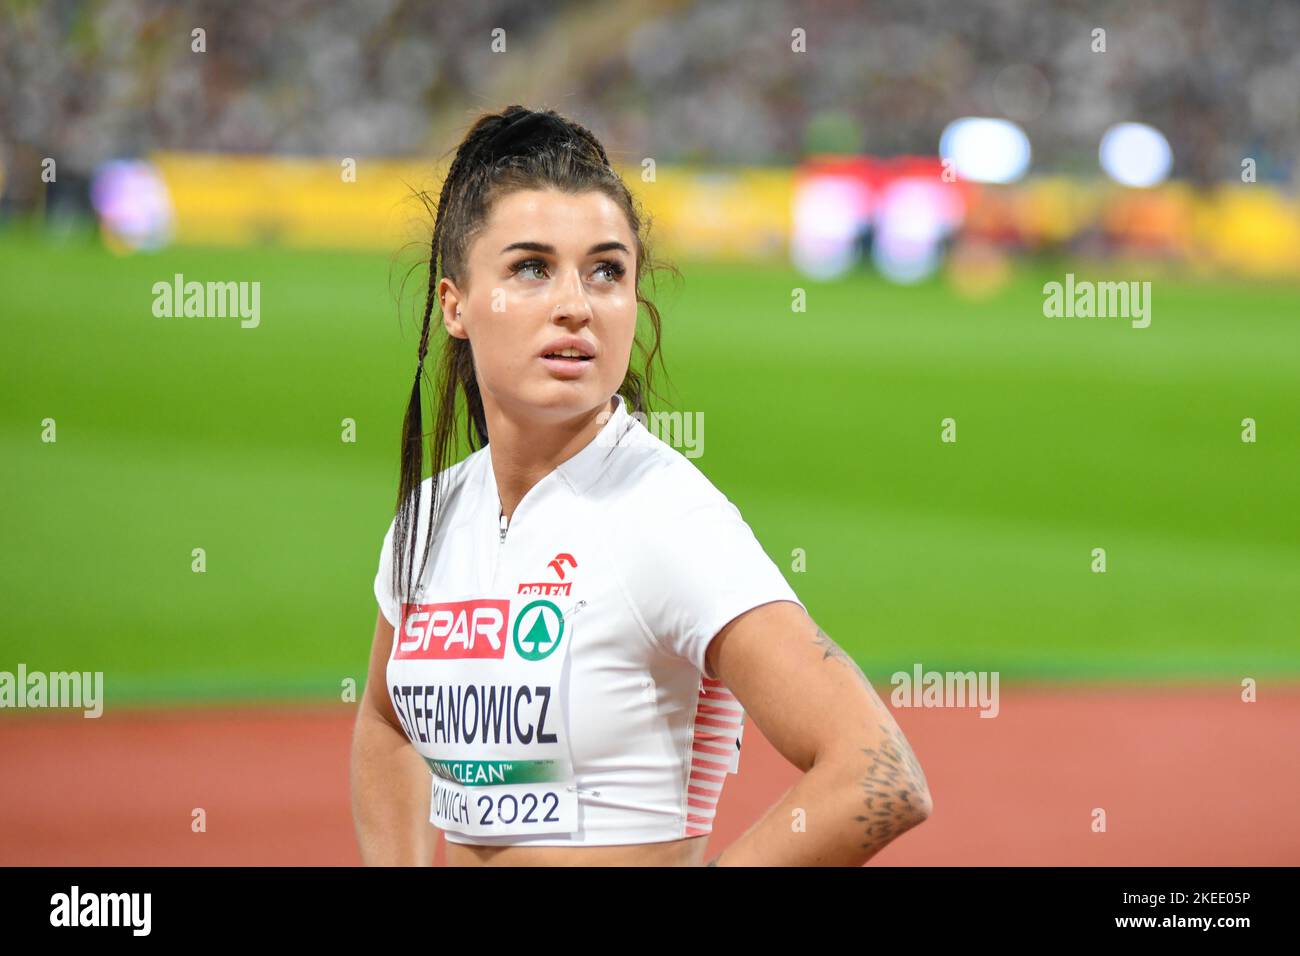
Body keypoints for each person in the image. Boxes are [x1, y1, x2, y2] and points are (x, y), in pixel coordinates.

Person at [350, 105, 932, 866]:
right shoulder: (431, 517)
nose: (575, 305)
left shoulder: (666, 519)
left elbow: (880, 777)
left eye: (607, 271)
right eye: (532, 267)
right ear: (455, 304)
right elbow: (384, 718)